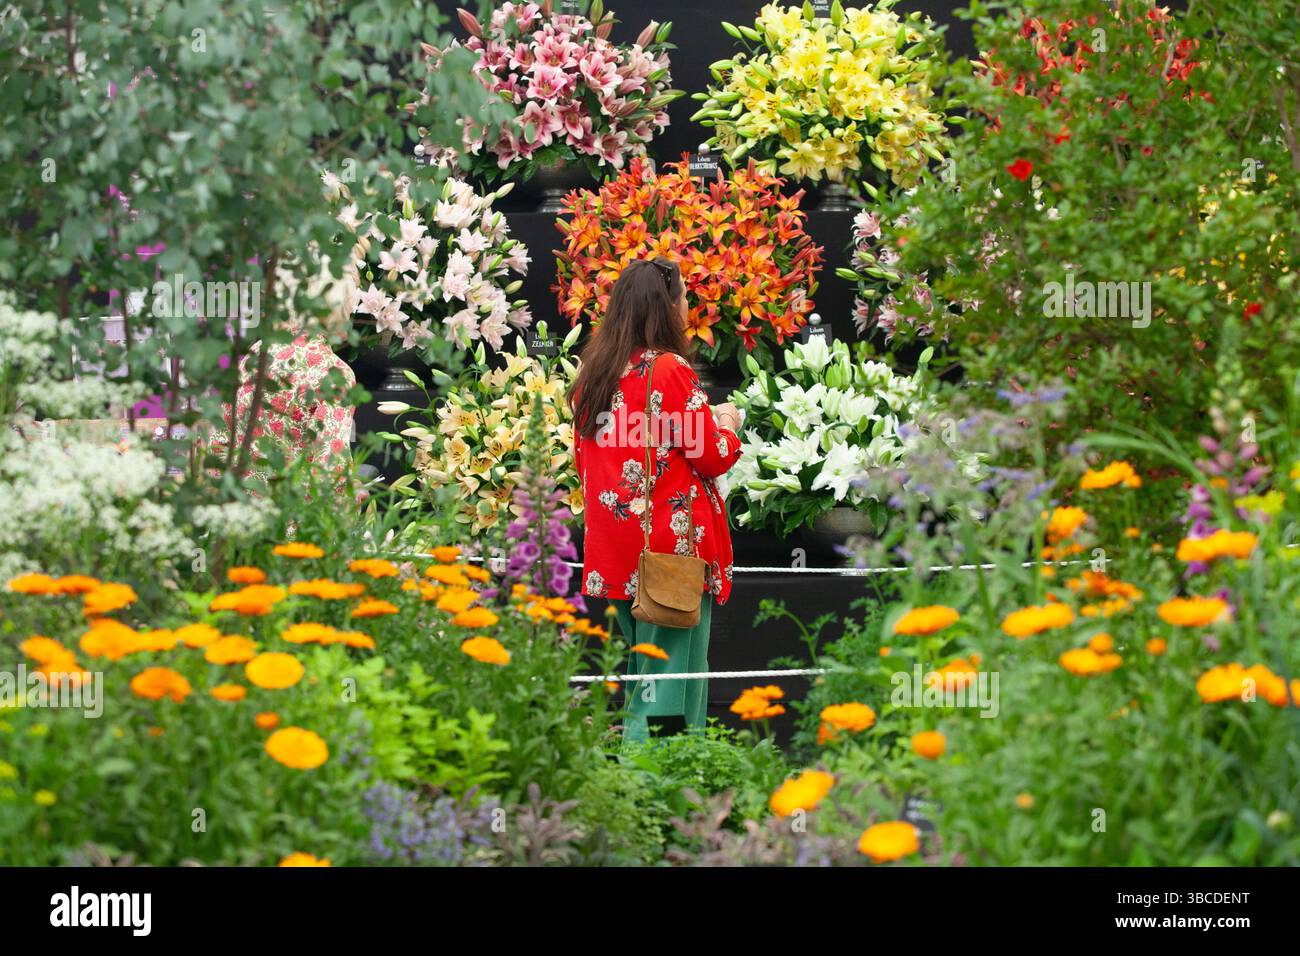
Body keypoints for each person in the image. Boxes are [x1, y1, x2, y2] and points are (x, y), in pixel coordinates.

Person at [568, 256, 743, 745]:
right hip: (670, 556)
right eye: (684, 296)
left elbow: (589, 465)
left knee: (652, 679)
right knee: (670, 684)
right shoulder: (667, 370)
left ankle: (674, 778)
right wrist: (727, 425)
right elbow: (709, 455)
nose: (688, 305)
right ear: (664, 306)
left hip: (617, 554)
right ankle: (650, 787)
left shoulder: (592, 377)